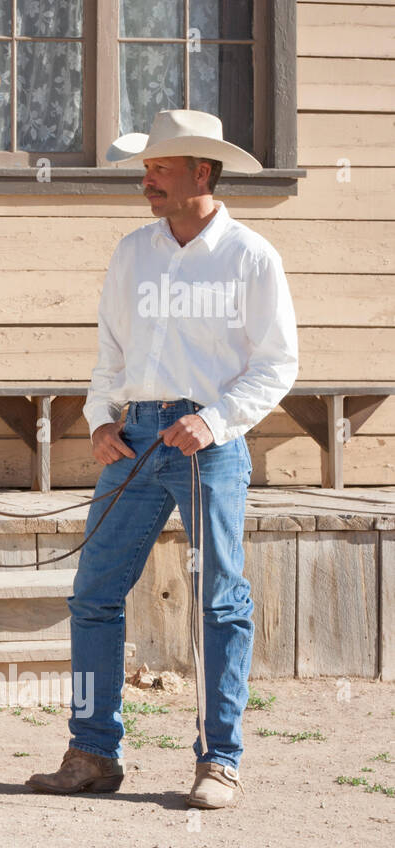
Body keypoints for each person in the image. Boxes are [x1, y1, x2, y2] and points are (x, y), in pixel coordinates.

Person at [25, 110, 299, 809]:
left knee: (219, 601)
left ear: (200, 173)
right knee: (93, 595)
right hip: (133, 439)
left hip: (210, 446)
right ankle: (93, 754)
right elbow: (110, 354)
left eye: (160, 167)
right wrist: (96, 421)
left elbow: (276, 366)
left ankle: (219, 762)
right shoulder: (132, 253)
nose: (146, 177)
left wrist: (213, 420)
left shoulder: (250, 258)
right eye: (146, 166)